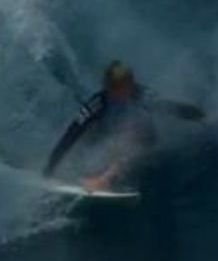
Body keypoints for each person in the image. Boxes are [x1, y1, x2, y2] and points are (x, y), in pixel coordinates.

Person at [42, 60, 153, 190]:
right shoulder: (98, 103)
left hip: (144, 137)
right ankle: (71, 170)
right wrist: (49, 169)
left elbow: (171, 107)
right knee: (85, 135)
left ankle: (103, 179)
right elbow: (70, 135)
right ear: (108, 87)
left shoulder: (142, 95)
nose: (122, 92)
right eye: (116, 88)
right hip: (107, 131)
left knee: (129, 136)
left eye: (125, 87)